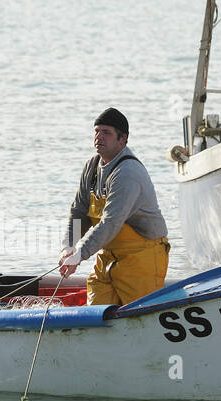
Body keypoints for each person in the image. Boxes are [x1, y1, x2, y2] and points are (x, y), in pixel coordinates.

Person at [58, 107, 170, 305]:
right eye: (96, 131)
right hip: (107, 257)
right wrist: (68, 246)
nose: (99, 137)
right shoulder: (91, 166)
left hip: (142, 259)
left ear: (122, 139)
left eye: (106, 133)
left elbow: (110, 222)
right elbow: (79, 211)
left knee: (140, 317)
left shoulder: (127, 172)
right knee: (95, 313)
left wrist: (80, 254)